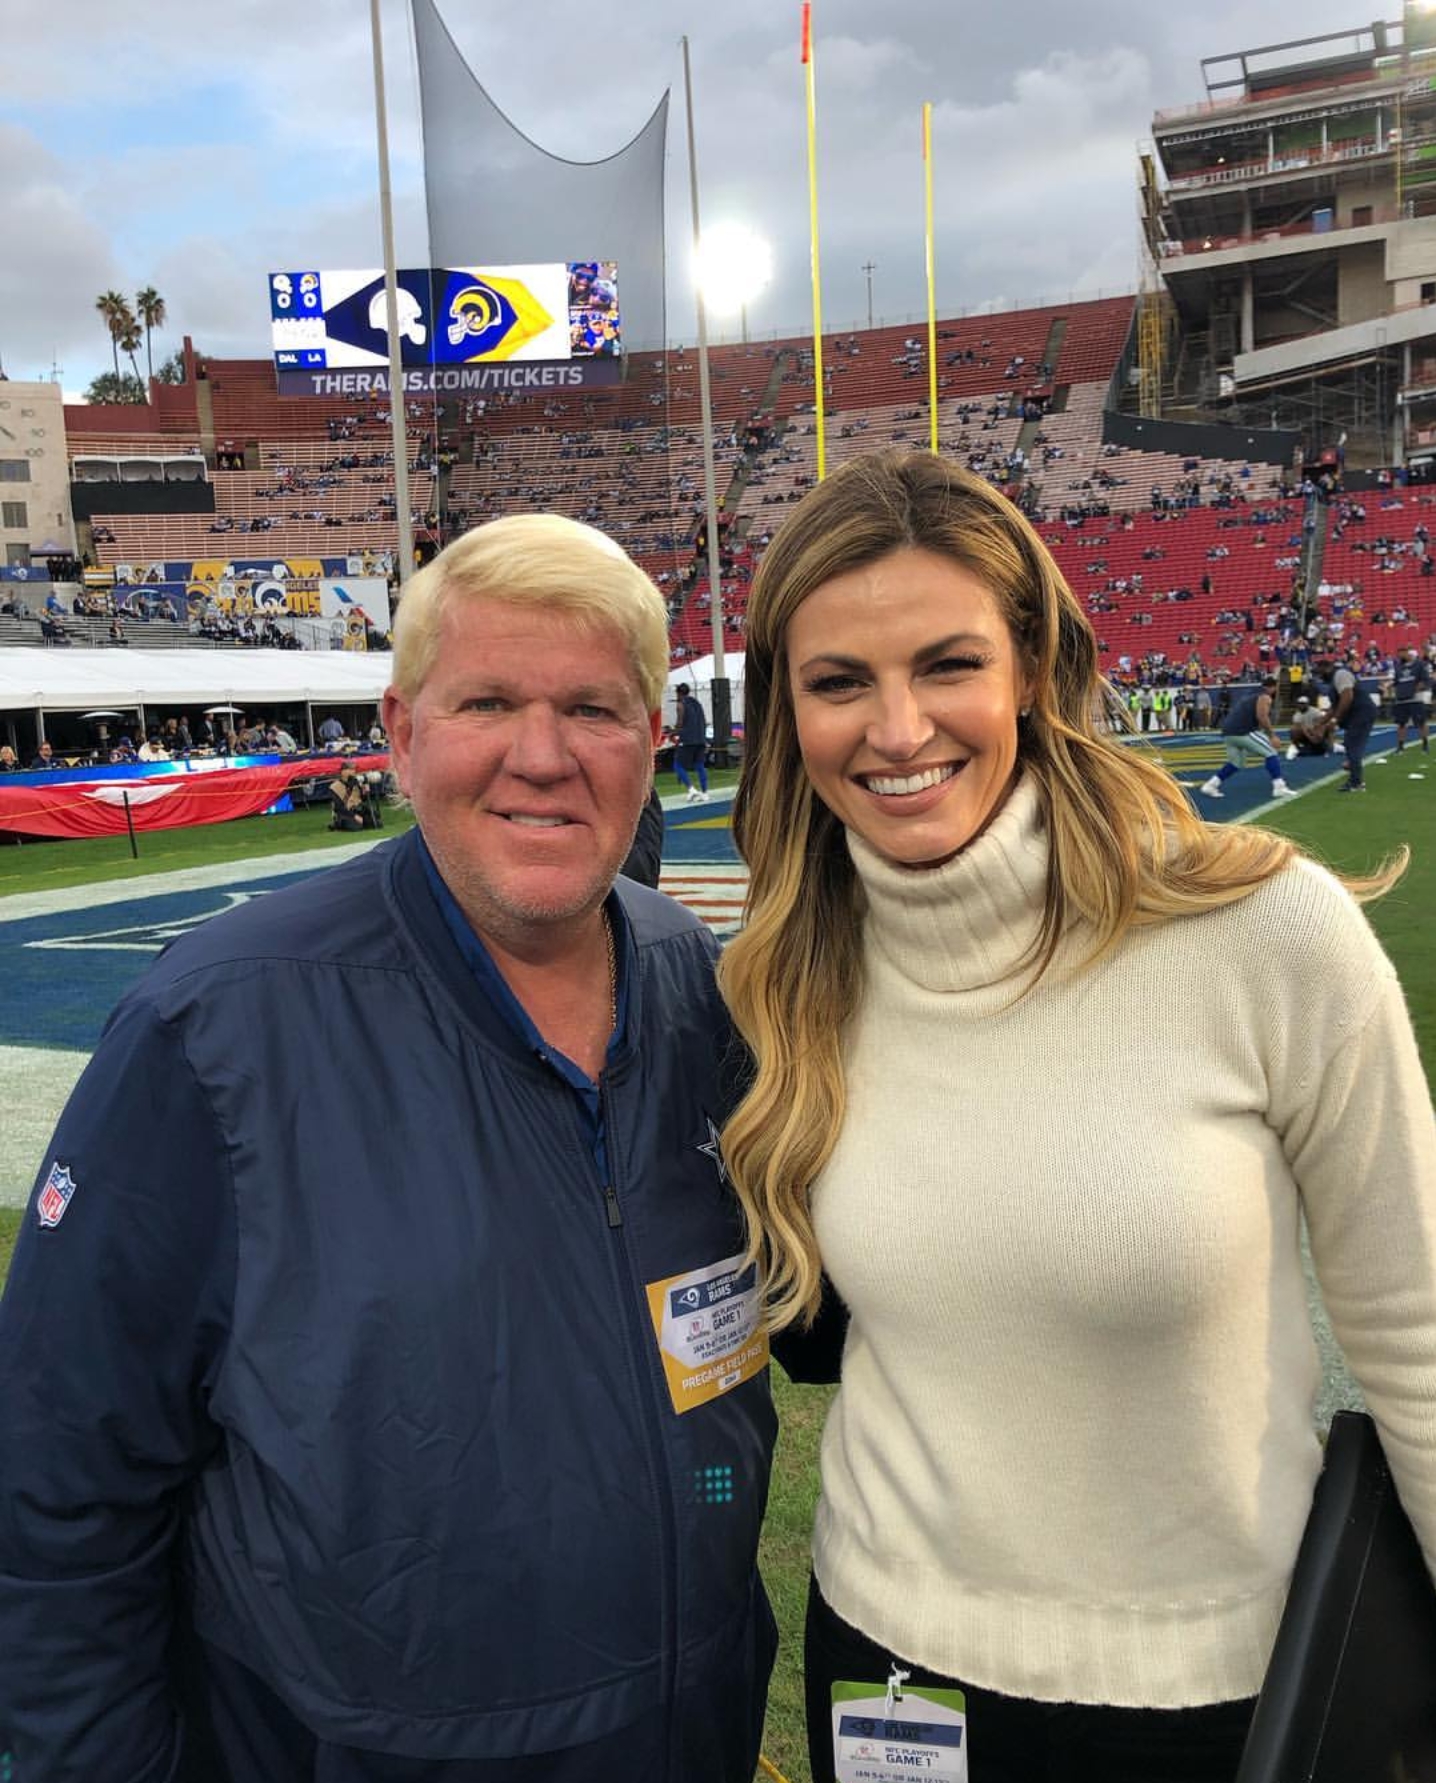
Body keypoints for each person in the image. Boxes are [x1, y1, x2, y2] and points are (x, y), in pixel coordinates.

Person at [0, 512, 778, 1783]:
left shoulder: (694, 979)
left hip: (689, 1729)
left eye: (591, 708)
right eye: (486, 703)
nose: (542, 756)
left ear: (651, 739)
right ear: (403, 738)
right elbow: (60, 1488)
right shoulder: (213, 1028)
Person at [717, 450, 1436, 1783]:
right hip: (888, 1667)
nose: (896, 726)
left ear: (1032, 665)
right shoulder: (790, 970)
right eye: (838, 681)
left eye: (945, 663)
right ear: (786, 709)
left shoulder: (1261, 929)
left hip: (1215, 1689)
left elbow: (1418, 1331)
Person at [1199, 674, 1295, 800]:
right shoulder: (1264, 696)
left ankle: (1210, 785)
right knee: (1271, 752)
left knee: (1236, 763)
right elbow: (1262, 716)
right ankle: (1279, 787)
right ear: (1273, 687)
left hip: (1228, 732)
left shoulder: (1251, 694)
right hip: (1242, 731)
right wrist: (1271, 735)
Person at [1313, 653, 1378, 791]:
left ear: (1327, 667)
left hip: (1361, 712)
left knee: (1353, 745)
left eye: (1320, 672)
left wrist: (1335, 720)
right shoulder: (1333, 683)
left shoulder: (1340, 674)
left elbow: (1347, 697)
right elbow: (1334, 707)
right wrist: (1321, 722)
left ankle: (1356, 782)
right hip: (1356, 714)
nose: (1319, 676)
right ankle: (1354, 768)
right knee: (1350, 743)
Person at [673, 681, 710, 803]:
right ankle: (705, 793)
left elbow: (680, 723)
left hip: (688, 738)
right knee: (699, 765)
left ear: (679, 693)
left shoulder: (680, 705)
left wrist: (673, 733)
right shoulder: (697, 703)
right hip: (700, 738)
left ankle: (691, 789)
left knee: (677, 765)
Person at [1392, 645, 1432, 753]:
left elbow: (1426, 680)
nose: (1400, 655)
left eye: (1402, 652)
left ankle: (1425, 744)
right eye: (1399, 653)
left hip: (1415, 698)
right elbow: (1396, 681)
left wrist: (1416, 688)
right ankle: (1400, 746)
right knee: (1401, 723)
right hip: (1401, 698)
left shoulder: (1419, 665)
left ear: (1408, 653)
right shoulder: (1398, 666)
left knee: (1421, 722)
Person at [328, 761, 381, 831]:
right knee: (356, 827)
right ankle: (337, 824)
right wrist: (354, 816)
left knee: (377, 823)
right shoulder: (334, 787)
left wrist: (365, 792)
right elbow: (339, 807)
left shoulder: (356, 782)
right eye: (351, 769)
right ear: (343, 771)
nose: (354, 771)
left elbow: (361, 799)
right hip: (346, 812)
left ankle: (361, 821)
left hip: (359, 809)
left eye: (354, 769)